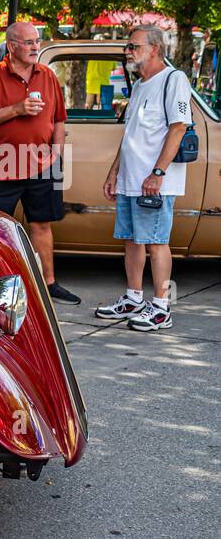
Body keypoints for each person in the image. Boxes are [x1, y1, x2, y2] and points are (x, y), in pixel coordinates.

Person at [0, 21, 80, 305]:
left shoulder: (47, 75)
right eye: (29, 42)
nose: (35, 46)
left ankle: (49, 283)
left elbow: (59, 118)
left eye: (36, 41)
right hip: (0, 166)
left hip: (43, 164)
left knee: (42, 225)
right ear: (12, 46)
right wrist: (16, 109)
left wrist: (57, 152)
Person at [94, 24, 192, 331]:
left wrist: (158, 172)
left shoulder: (174, 80)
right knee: (132, 240)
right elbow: (130, 136)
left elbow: (179, 127)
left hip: (155, 181)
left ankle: (162, 308)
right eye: (128, 47)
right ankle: (134, 298)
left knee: (156, 242)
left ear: (155, 49)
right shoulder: (139, 86)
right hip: (131, 180)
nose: (128, 52)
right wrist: (114, 172)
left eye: (134, 47)